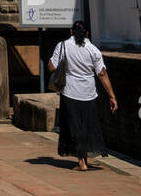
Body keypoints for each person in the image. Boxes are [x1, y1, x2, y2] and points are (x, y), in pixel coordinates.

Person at [48, 21, 117, 171]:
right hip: (89, 93)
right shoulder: (93, 50)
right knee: (87, 125)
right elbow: (102, 73)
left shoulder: (63, 46)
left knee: (74, 125)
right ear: (87, 33)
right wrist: (112, 96)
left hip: (69, 92)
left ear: (71, 32)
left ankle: (82, 162)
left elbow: (51, 67)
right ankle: (84, 159)